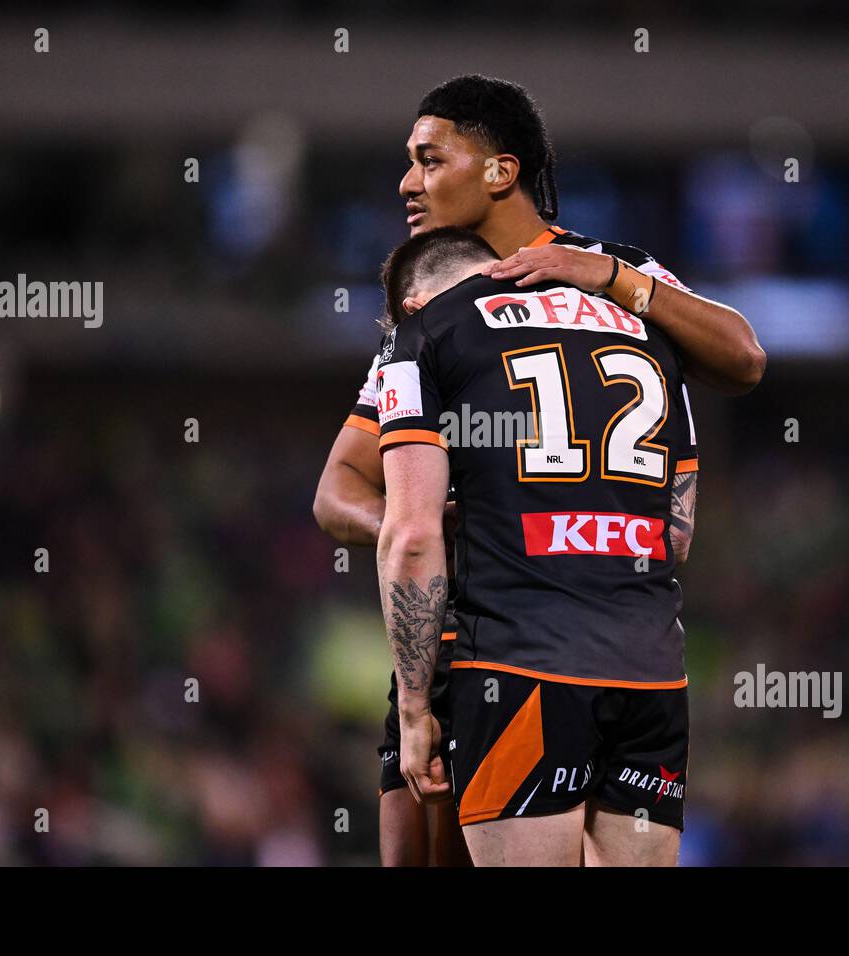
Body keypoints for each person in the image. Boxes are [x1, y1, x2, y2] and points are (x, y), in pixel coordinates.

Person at [313, 74, 763, 866]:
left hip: (505, 653)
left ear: (501, 171)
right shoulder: (441, 296)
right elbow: (339, 490)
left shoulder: (604, 280)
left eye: (429, 160)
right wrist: (430, 529)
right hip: (573, 650)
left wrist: (615, 278)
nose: (407, 183)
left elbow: (746, 357)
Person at [375, 227, 699, 866]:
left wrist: (415, 711)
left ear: (412, 302)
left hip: (520, 666)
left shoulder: (423, 336)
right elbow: (678, 534)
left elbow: (411, 539)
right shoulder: (651, 334)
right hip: (652, 670)